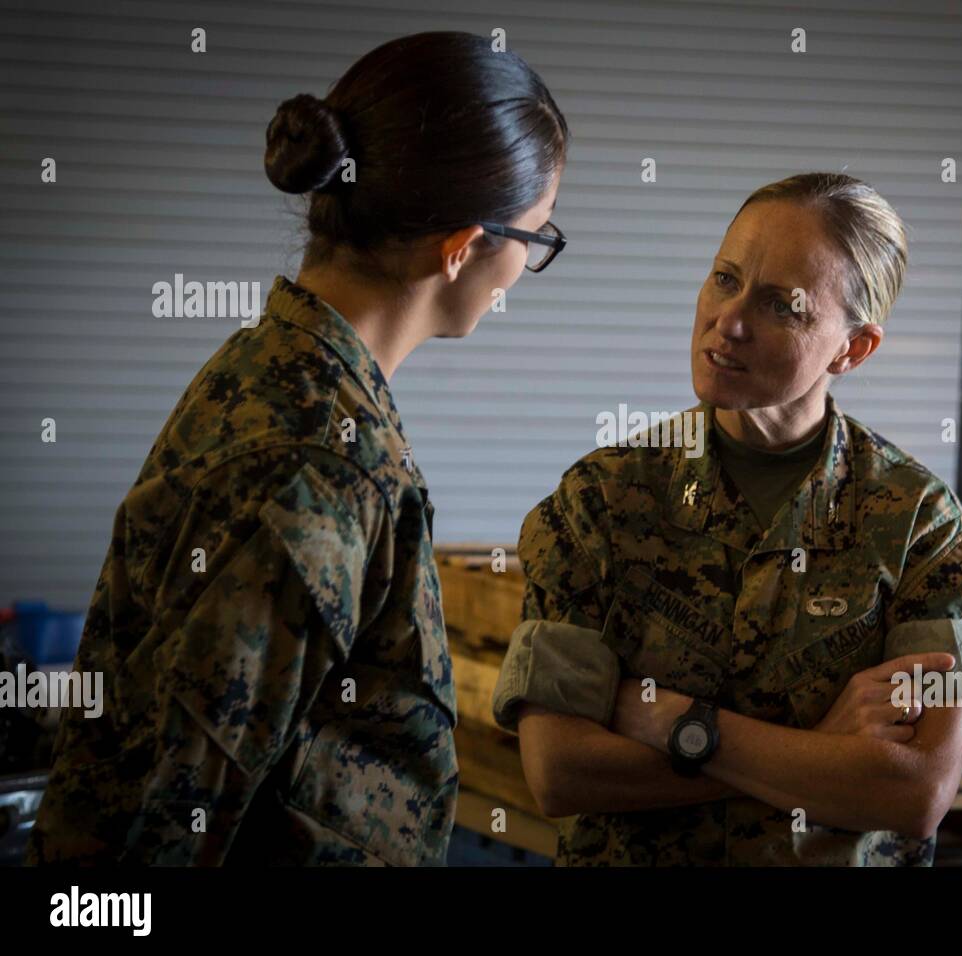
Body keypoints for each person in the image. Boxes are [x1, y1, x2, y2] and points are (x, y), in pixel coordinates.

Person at [28, 31, 568, 866]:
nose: (524, 267)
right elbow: (170, 814)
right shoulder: (317, 459)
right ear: (463, 246)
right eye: (535, 240)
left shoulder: (285, 363)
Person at [493, 173, 962, 866]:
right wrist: (822, 745)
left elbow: (912, 792)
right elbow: (559, 771)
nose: (728, 322)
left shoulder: (919, 523)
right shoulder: (601, 501)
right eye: (724, 280)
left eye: (780, 306)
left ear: (852, 349)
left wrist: (668, 721)